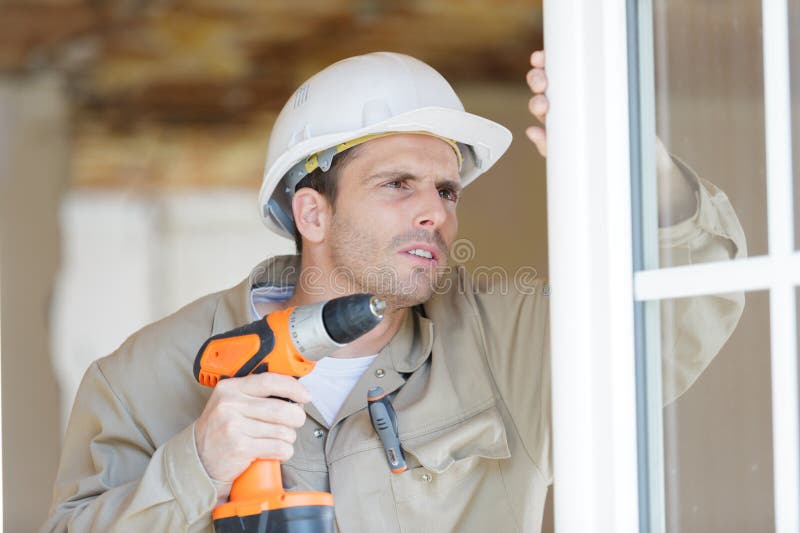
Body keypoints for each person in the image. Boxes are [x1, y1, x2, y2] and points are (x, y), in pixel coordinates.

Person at [43, 51, 745, 532]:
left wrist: (635, 160)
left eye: (446, 189)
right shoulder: (145, 378)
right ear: (311, 212)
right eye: (397, 184)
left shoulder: (505, 347)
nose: (434, 212)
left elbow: (689, 306)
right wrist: (195, 462)